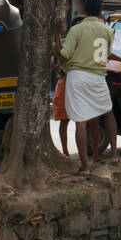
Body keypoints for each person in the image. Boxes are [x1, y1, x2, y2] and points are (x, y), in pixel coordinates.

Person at [60, 0, 116, 174]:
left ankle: (84, 166)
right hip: (98, 76)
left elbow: (64, 55)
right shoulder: (108, 30)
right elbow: (106, 55)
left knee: (81, 122)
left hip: (78, 76)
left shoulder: (76, 30)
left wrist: (55, 34)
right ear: (101, 11)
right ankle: (114, 154)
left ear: (84, 10)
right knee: (108, 113)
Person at [52, 16, 71, 155]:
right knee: (64, 120)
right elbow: (60, 55)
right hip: (66, 81)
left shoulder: (73, 41)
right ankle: (65, 151)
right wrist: (57, 69)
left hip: (75, 81)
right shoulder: (56, 42)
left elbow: (63, 54)